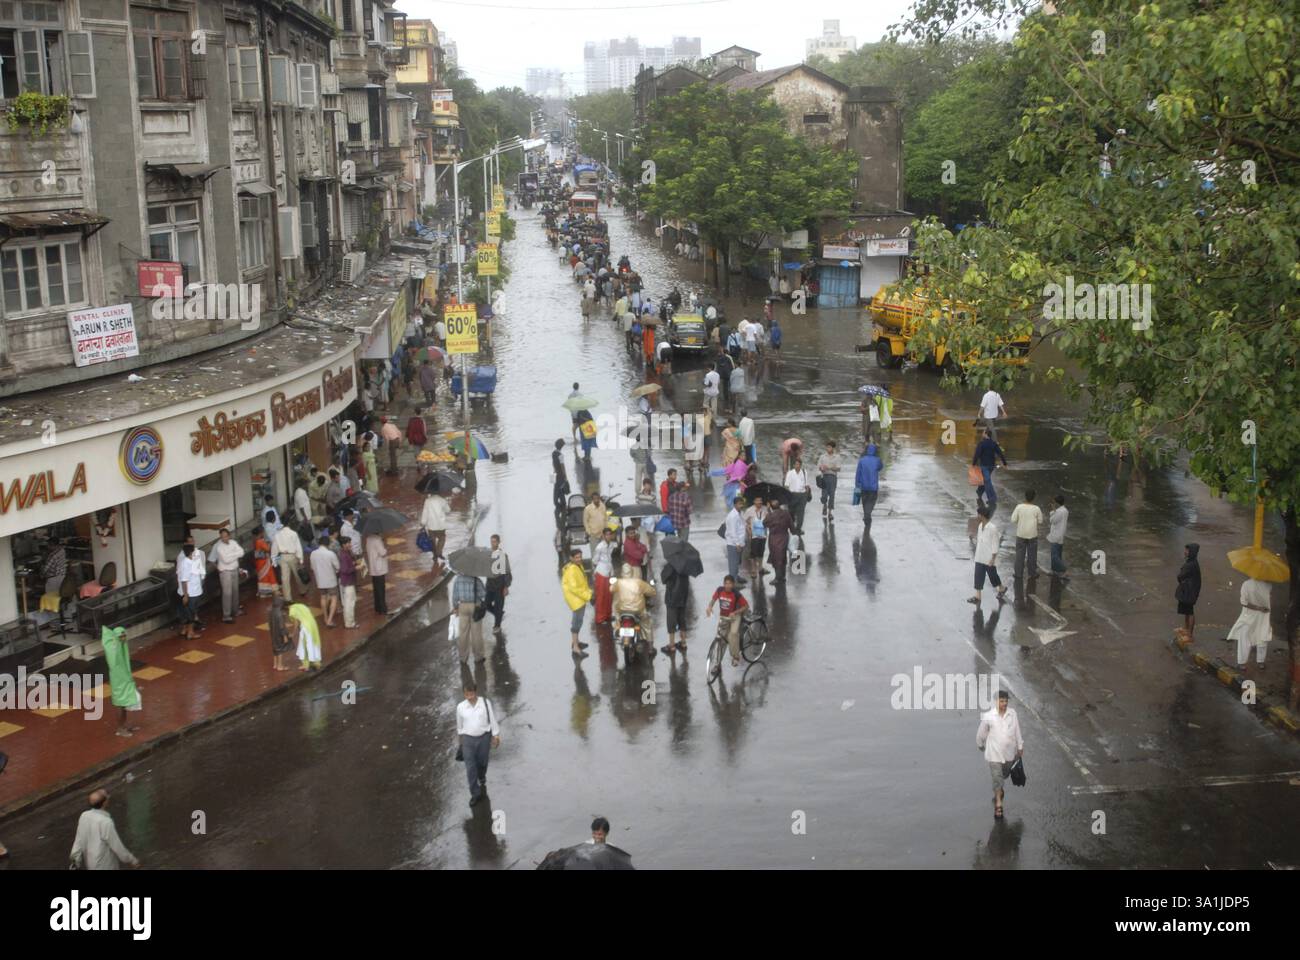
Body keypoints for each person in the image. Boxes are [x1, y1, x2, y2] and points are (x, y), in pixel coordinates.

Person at [976, 689, 1023, 820]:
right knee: (997, 778)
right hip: (994, 754)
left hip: (1009, 754)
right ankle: (998, 805)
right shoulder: (989, 716)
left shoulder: (1012, 714)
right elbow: (981, 733)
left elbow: (1017, 730)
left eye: (1006, 701)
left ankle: (999, 791)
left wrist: (1020, 746)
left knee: (1003, 776)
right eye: (1001, 701)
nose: (1004, 704)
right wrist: (980, 744)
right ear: (996, 702)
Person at [455, 681, 500, 808]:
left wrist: (495, 735)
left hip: (484, 738)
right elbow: (459, 726)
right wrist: (461, 742)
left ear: (475, 692)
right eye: (466, 694)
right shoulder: (460, 707)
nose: (469, 697)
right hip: (468, 740)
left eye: (471, 694)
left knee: (482, 762)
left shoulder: (485, 703)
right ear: (464, 694)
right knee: (470, 768)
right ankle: (475, 793)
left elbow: (492, 719)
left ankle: (482, 776)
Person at [69, 790, 139, 870]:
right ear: (104, 803)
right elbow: (117, 846)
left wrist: (75, 862)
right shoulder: (105, 822)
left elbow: (78, 840)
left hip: (91, 865)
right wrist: (132, 860)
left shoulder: (84, 816)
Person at [1228, 577, 1273, 674]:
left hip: (1248, 616)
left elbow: (1244, 602)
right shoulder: (1269, 586)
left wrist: (1257, 607)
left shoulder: (1246, 584)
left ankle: (1242, 663)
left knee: (1244, 638)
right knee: (1262, 637)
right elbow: (1269, 599)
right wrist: (1262, 608)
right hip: (1263, 616)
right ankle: (1261, 661)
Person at [706, 575, 749, 668]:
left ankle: (736, 657)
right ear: (723, 584)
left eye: (730, 584)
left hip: (735, 616)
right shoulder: (719, 590)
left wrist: (735, 612)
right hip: (724, 617)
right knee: (721, 639)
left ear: (733, 585)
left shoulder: (736, 594)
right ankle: (717, 663)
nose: (728, 586)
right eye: (726, 583)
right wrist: (710, 607)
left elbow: (746, 606)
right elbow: (713, 600)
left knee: (732, 634)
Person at [969, 505, 1008, 605]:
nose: (977, 516)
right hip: (980, 556)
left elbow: (995, 544)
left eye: (978, 514)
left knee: (992, 576)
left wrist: (993, 559)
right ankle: (977, 596)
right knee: (978, 575)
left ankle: (1002, 588)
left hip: (989, 557)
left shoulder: (992, 528)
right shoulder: (980, 526)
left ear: (982, 515)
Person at [612, 562, 656, 646]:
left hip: (621, 610)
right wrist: (652, 589)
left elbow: (611, 589)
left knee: (617, 617)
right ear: (632, 572)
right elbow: (652, 592)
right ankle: (650, 647)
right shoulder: (639, 582)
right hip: (638, 610)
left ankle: (617, 628)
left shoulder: (618, 582)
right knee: (647, 624)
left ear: (622, 572)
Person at [209, 528, 245, 623]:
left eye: (225, 536)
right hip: (225, 572)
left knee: (235, 591)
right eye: (222, 537)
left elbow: (242, 552)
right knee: (227, 594)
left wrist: (231, 555)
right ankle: (226, 615)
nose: (224, 538)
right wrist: (235, 555)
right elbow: (226, 560)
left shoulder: (233, 542)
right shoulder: (219, 547)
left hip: (234, 569)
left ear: (229, 536)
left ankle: (236, 610)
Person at [561, 548, 592, 658]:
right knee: (576, 623)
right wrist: (589, 596)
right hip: (576, 600)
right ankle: (575, 647)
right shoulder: (572, 570)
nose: (579, 559)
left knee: (578, 621)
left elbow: (583, 584)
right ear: (571, 558)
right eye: (577, 557)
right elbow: (575, 589)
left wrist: (590, 594)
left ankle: (576, 642)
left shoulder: (577, 566)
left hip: (579, 599)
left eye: (580, 557)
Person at [452, 570, 487, 663]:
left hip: (462, 606)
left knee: (463, 633)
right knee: (476, 634)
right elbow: (483, 594)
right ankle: (478, 657)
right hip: (475, 607)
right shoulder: (476, 580)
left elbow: (455, 596)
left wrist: (455, 607)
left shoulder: (458, 579)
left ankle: (463, 658)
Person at [1009, 489, 1044, 579]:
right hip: (1032, 535)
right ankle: (1032, 573)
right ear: (1034, 498)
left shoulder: (1019, 507)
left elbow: (1013, 519)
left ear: (1025, 496)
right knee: (1032, 555)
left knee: (1019, 555)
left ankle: (1018, 574)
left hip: (1021, 534)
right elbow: (1040, 521)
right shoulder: (1036, 508)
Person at [973, 430, 1009, 509]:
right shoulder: (994, 443)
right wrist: (1005, 463)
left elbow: (977, 454)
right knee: (986, 479)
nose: (982, 434)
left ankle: (992, 498)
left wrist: (973, 464)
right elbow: (1000, 453)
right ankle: (979, 491)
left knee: (987, 481)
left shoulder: (981, 444)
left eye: (983, 432)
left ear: (986, 434)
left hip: (984, 466)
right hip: (991, 466)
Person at [310, 532, 341, 626]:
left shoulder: (313, 554)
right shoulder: (330, 554)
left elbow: (312, 567)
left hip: (320, 581)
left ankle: (325, 617)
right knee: (334, 598)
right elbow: (338, 567)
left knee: (323, 598)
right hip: (331, 580)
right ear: (328, 544)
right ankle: (330, 620)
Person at [484, 534, 512, 636]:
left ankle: (497, 626)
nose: (493, 543)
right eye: (491, 541)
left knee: (499, 606)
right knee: (486, 604)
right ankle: (498, 614)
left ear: (498, 542)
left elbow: (507, 572)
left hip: (499, 586)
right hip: (489, 586)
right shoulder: (488, 554)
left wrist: (506, 586)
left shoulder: (502, 556)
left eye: (494, 541)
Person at [176, 543, 204, 641]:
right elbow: (184, 580)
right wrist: (186, 595)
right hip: (191, 593)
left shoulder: (189, 561)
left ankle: (186, 630)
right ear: (191, 552)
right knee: (191, 614)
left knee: (189, 612)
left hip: (194, 591)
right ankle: (190, 633)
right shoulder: (186, 563)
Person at [271, 521, 304, 602]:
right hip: (292, 556)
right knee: (297, 574)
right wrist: (301, 558)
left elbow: (274, 548)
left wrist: (274, 560)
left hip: (282, 556)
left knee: (285, 578)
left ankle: (288, 598)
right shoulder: (293, 533)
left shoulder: (277, 535)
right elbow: (298, 546)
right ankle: (302, 590)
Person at [1175, 543, 1201, 639]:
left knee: (1189, 612)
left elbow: (1180, 576)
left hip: (1190, 592)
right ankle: (1186, 629)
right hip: (1188, 590)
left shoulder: (1191, 564)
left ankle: (1189, 634)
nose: (1185, 552)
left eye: (1187, 550)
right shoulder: (1191, 562)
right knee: (1186, 610)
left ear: (1191, 552)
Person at [854, 443, 884, 525]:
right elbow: (880, 467)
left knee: (864, 501)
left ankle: (866, 514)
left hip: (863, 486)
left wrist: (857, 484)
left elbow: (858, 473)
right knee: (872, 501)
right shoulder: (877, 460)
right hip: (873, 486)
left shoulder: (862, 460)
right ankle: (867, 514)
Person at [765, 499, 795, 583]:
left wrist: (768, 511)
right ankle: (782, 576)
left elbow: (764, 523)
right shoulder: (786, 513)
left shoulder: (771, 515)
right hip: (784, 537)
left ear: (771, 506)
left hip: (774, 539)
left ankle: (777, 577)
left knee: (776, 558)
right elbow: (792, 526)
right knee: (783, 557)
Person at [592, 527, 616, 625]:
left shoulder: (611, 545)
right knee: (601, 596)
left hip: (609, 572)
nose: (609, 536)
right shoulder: (599, 547)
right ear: (603, 535)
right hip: (601, 573)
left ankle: (608, 615)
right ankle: (600, 618)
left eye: (610, 534)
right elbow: (594, 561)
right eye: (607, 534)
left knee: (609, 595)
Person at [289, 602, 322, 670]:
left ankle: (305, 665)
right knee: (314, 642)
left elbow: (296, 623)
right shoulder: (302, 606)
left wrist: (293, 633)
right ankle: (316, 662)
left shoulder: (292, 610)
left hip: (305, 627)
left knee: (303, 646)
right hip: (313, 625)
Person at [420, 489, 450, 563]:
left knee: (432, 541)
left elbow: (425, 512)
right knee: (442, 539)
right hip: (441, 525)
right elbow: (448, 510)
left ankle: (435, 556)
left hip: (431, 525)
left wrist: (423, 522)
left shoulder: (428, 501)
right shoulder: (442, 500)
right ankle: (439, 552)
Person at [744, 496, 769, 580]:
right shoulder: (749, 510)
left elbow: (770, 519)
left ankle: (760, 568)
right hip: (754, 535)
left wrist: (769, 510)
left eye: (761, 500)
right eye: (757, 500)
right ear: (754, 501)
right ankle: (753, 569)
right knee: (753, 553)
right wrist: (748, 529)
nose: (759, 502)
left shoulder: (765, 509)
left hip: (763, 534)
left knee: (761, 551)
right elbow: (744, 521)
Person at [784, 456, 810, 535]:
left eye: (798, 464)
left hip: (802, 495)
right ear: (794, 465)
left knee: (801, 513)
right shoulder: (790, 473)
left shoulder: (804, 472)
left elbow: (807, 485)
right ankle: (792, 528)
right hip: (792, 495)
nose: (797, 466)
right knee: (791, 513)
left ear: (801, 465)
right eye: (796, 464)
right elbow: (786, 485)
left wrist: (807, 493)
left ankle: (798, 528)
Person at [365, 532, 389, 615]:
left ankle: (377, 607)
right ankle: (383, 608)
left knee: (376, 588)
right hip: (379, 568)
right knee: (381, 588)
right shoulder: (377, 540)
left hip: (373, 567)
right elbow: (382, 553)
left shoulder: (368, 539)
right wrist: (385, 548)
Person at [817, 441, 842, 521]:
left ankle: (830, 512)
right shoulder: (822, 457)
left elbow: (838, 468)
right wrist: (822, 468)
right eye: (827, 447)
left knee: (832, 495)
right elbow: (819, 466)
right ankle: (824, 504)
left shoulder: (837, 457)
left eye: (830, 447)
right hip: (824, 476)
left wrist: (830, 467)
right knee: (824, 494)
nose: (828, 449)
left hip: (833, 477)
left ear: (833, 448)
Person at [268, 594, 292, 670]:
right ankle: (280, 665)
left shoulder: (271, 611)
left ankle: (275, 664)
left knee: (275, 648)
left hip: (273, 632)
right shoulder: (280, 614)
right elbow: (282, 626)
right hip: (279, 634)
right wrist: (285, 636)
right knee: (280, 649)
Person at [1047, 495, 1069, 578]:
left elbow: (1052, 520)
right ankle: (1055, 570)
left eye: (1054, 502)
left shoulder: (1059, 512)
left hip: (1056, 535)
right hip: (1061, 534)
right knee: (1058, 554)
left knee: (1054, 556)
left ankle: (1064, 570)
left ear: (1056, 503)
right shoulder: (1065, 510)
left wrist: (1053, 511)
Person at [252, 525, 277, 597]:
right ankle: (265, 592)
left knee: (264, 576)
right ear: (260, 533)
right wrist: (270, 543)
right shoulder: (260, 541)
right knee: (266, 575)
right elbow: (268, 549)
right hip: (263, 562)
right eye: (263, 532)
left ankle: (267, 590)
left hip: (260, 562)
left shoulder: (256, 540)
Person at [338, 545, 358, 629]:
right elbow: (345, 570)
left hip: (347, 581)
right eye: (348, 543)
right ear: (344, 544)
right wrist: (356, 567)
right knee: (350, 603)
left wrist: (353, 563)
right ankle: (350, 623)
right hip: (348, 582)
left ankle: (349, 621)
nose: (350, 544)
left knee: (348, 602)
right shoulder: (344, 556)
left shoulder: (344, 554)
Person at [583, 494, 607, 560]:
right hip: (593, 534)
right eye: (595, 499)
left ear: (599, 499)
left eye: (598, 498)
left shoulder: (603, 506)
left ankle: (603, 568)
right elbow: (585, 522)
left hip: (602, 534)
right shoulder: (587, 509)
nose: (596, 500)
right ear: (592, 500)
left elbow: (605, 519)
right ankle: (595, 568)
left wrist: (606, 530)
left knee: (603, 552)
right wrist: (589, 532)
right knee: (595, 553)